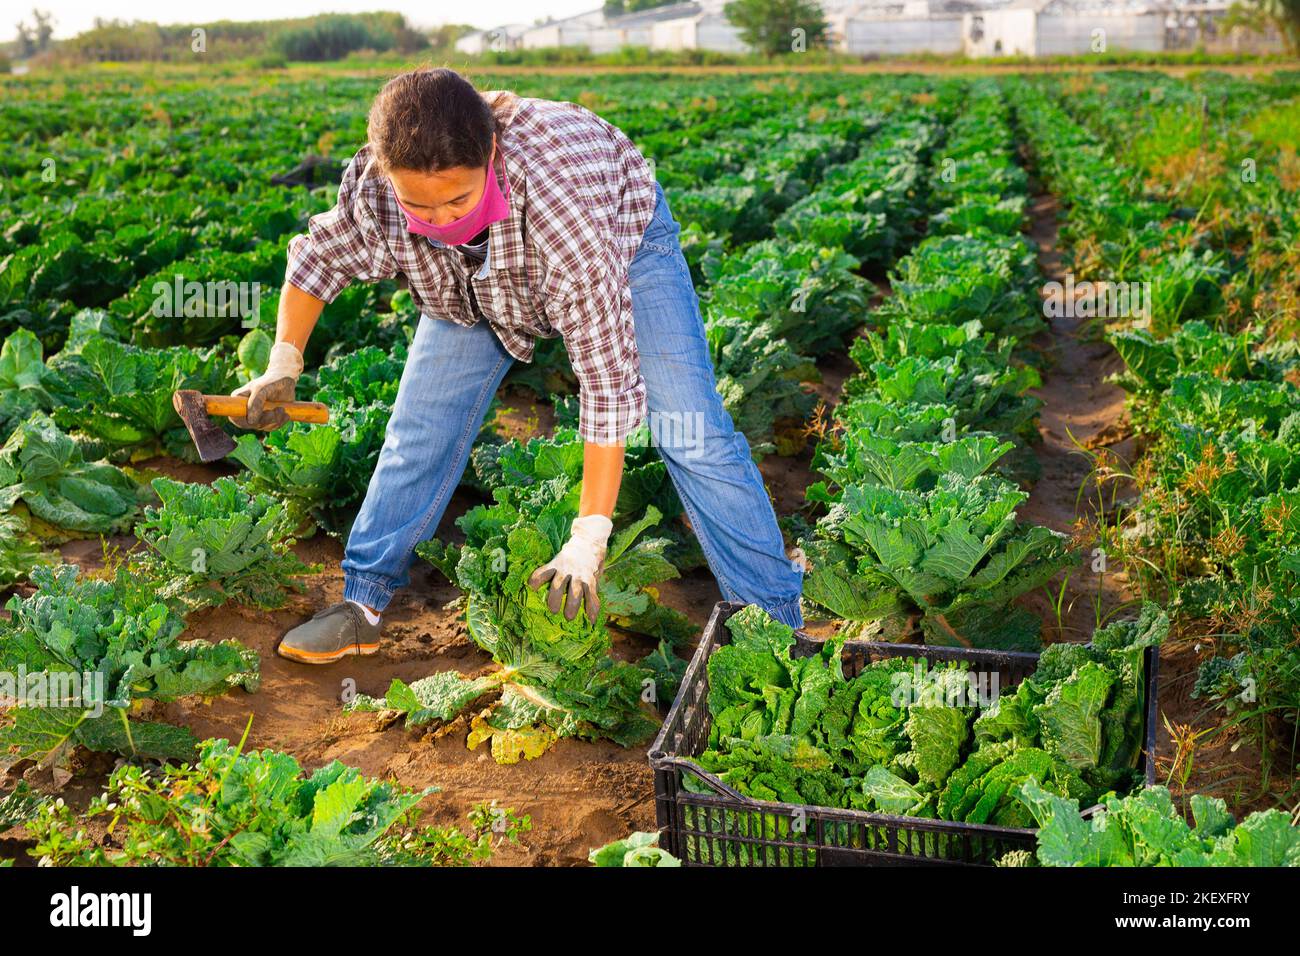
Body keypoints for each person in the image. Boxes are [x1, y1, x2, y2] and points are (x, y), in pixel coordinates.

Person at [235, 67, 803, 664]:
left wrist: (589, 538)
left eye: (457, 198)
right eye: (416, 204)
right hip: (466, 287)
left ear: (491, 156)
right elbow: (318, 261)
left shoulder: (562, 209)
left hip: (626, 241)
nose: (441, 220)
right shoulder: (376, 189)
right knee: (418, 429)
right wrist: (283, 362)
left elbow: (606, 384)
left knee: (690, 433)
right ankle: (363, 605)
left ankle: (774, 625)